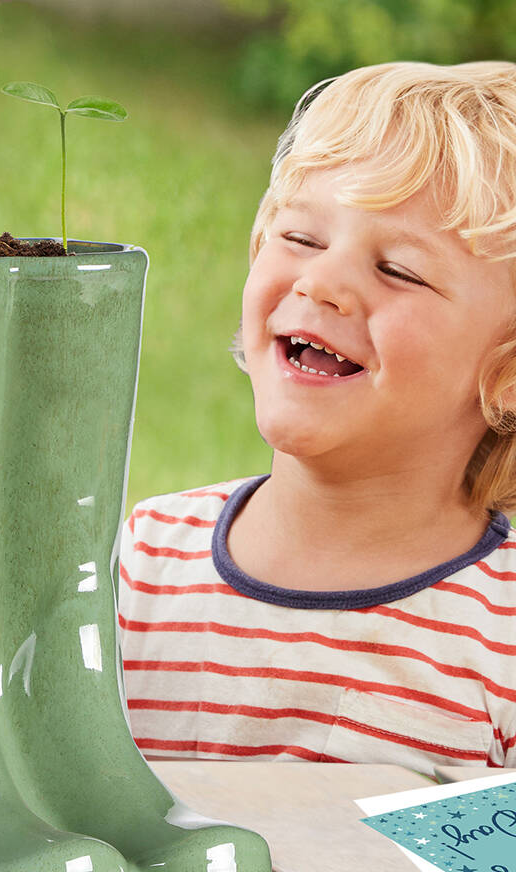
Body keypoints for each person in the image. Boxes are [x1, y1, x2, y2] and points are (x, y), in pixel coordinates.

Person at [119, 61, 516, 774]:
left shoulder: (504, 635)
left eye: (398, 270)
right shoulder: (141, 565)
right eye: (300, 239)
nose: (322, 282)